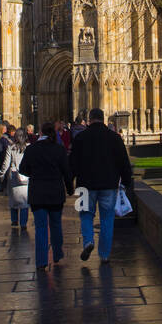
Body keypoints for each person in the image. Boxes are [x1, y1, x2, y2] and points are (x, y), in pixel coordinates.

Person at [70, 106, 134, 264]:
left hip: (85, 186)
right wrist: (126, 181)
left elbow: (72, 164)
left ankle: (88, 242)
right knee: (107, 218)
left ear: (90, 119)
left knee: (85, 215)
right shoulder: (114, 138)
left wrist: (69, 183)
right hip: (109, 185)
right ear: (103, 119)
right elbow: (124, 163)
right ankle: (104, 254)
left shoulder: (80, 138)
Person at [18, 121, 73, 269]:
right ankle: (57, 253)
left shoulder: (32, 149)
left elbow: (22, 169)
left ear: (40, 132)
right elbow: (67, 172)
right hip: (55, 193)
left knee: (40, 227)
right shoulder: (59, 150)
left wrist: (34, 174)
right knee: (56, 225)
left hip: (38, 194)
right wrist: (70, 189)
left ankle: (41, 261)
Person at [0, 127, 30, 230]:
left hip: (13, 176)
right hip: (26, 176)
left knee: (13, 200)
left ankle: (14, 221)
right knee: (25, 201)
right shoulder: (29, 147)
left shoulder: (11, 148)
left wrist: (2, 175)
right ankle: (23, 223)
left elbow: (6, 164)